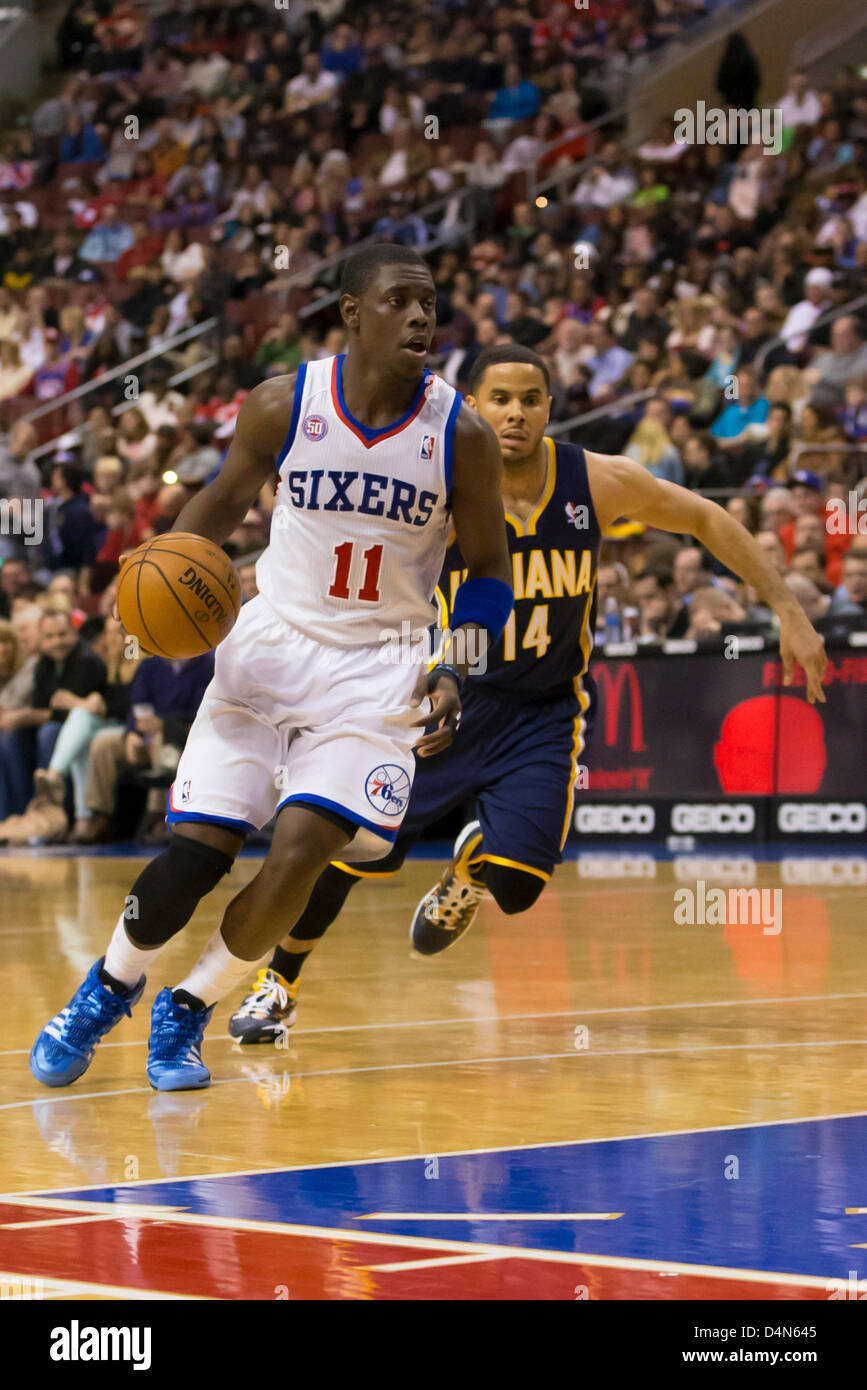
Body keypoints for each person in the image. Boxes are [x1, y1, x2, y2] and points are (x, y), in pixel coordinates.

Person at [228, 343, 828, 1043]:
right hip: (440, 696)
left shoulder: (593, 480)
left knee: (518, 885)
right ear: (472, 406)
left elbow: (703, 517)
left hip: (540, 712)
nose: (515, 413)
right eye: (500, 400)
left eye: (530, 399)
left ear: (549, 405)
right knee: (352, 850)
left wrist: (787, 610)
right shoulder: (430, 485)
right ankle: (279, 983)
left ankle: (472, 865)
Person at [30, 243, 514, 1093]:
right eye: (398, 301)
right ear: (351, 312)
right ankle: (107, 988)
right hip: (272, 647)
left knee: (298, 856)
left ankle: (188, 1006)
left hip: (381, 669)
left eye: (429, 304)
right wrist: (146, 580)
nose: (419, 318)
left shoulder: (461, 435)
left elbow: (489, 575)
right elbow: (216, 505)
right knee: (196, 855)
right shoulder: (282, 404)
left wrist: (456, 668)